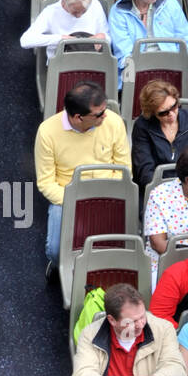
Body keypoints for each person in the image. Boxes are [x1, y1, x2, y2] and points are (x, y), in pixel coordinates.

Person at [34, 81, 131, 275]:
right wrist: (76, 202)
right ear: (78, 118)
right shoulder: (47, 132)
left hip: (108, 194)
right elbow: (46, 183)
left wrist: (105, 197)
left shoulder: (113, 121)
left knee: (118, 246)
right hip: (67, 198)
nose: (105, 116)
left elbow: (124, 169)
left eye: (104, 110)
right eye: (98, 114)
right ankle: (59, 268)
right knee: (55, 250)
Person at [108, 0, 188, 80]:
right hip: (137, 71)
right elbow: (124, 55)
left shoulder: (170, 4)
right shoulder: (119, 12)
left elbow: (185, 41)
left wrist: (180, 66)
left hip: (170, 67)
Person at [129, 78, 188, 188]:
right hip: (155, 188)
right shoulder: (142, 126)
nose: (171, 114)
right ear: (152, 113)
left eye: (174, 106)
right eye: (163, 113)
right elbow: (144, 170)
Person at [19, 0, 109, 64]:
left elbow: (108, 38)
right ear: (65, 1)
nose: (79, 16)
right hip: (62, 64)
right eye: (75, 12)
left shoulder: (95, 5)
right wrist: (61, 39)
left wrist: (103, 38)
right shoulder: (51, 12)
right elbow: (25, 40)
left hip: (92, 61)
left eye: (84, 11)